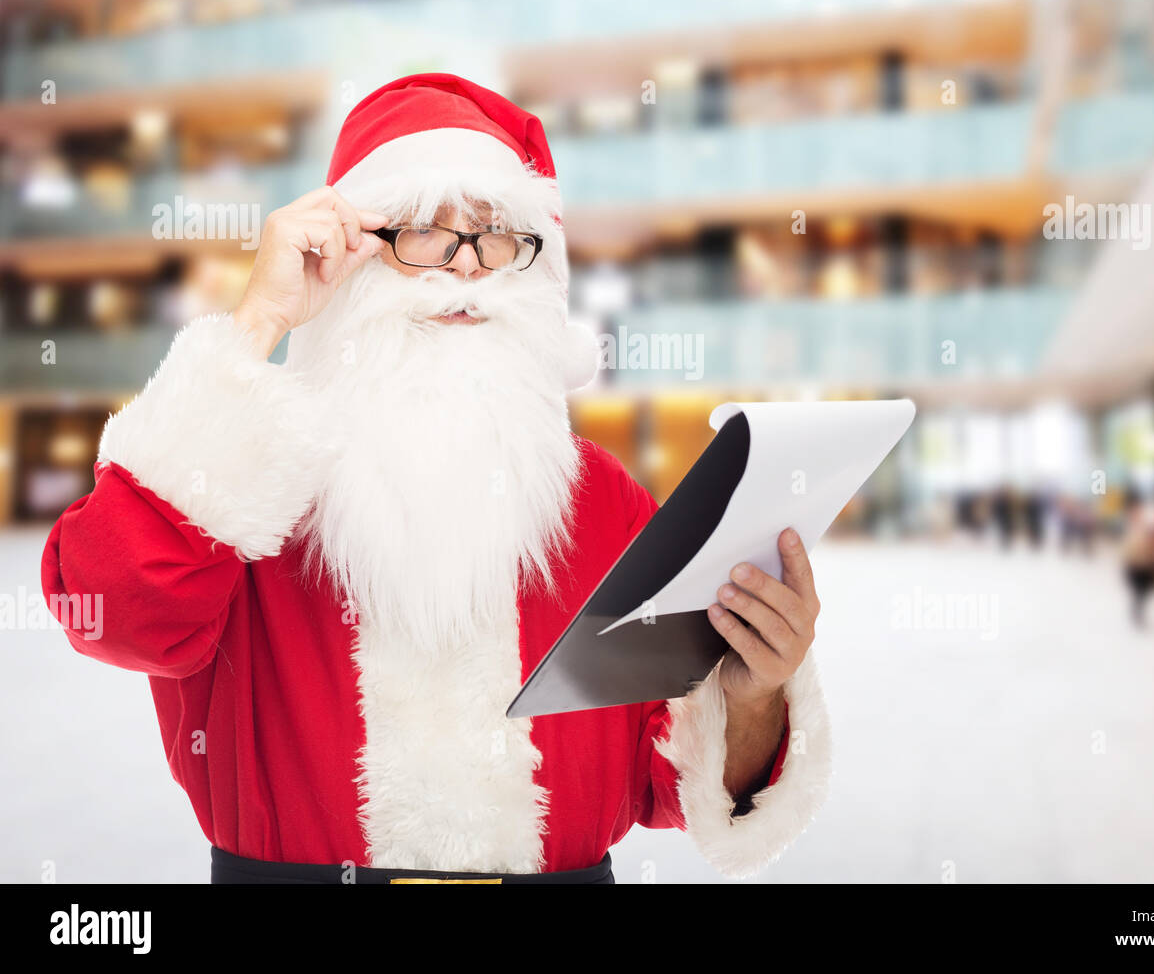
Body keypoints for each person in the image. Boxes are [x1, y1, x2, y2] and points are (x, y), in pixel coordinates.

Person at [39, 73, 831, 884]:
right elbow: (115, 612)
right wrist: (259, 324)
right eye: (422, 230)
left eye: (494, 235)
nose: (463, 270)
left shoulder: (604, 502)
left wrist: (759, 692)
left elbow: (672, 784)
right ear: (349, 255)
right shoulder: (244, 471)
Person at [1120, 489, 1154, 628]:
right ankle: (1138, 609)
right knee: (1137, 588)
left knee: (1146, 587)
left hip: (1146, 561)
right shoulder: (1127, 526)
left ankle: (1139, 606)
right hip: (1133, 562)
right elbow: (1124, 546)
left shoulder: (1148, 524)